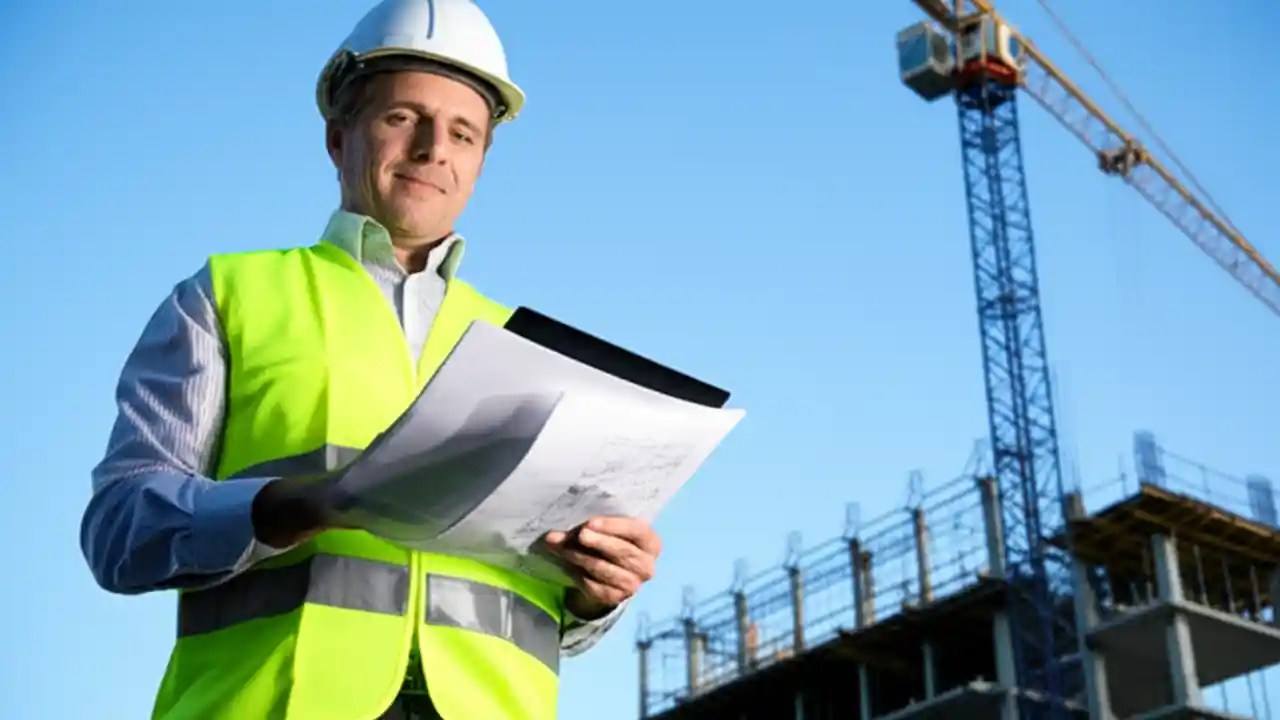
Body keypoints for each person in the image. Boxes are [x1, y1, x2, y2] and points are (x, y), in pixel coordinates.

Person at [78, 1, 663, 718]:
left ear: (481, 161)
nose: (432, 150)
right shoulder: (232, 297)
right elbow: (120, 532)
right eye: (401, 118)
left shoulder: (526, 345)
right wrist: (292, 505)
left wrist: (596, 595)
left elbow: (543, 598)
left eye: (462, 133)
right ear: (337, 135)